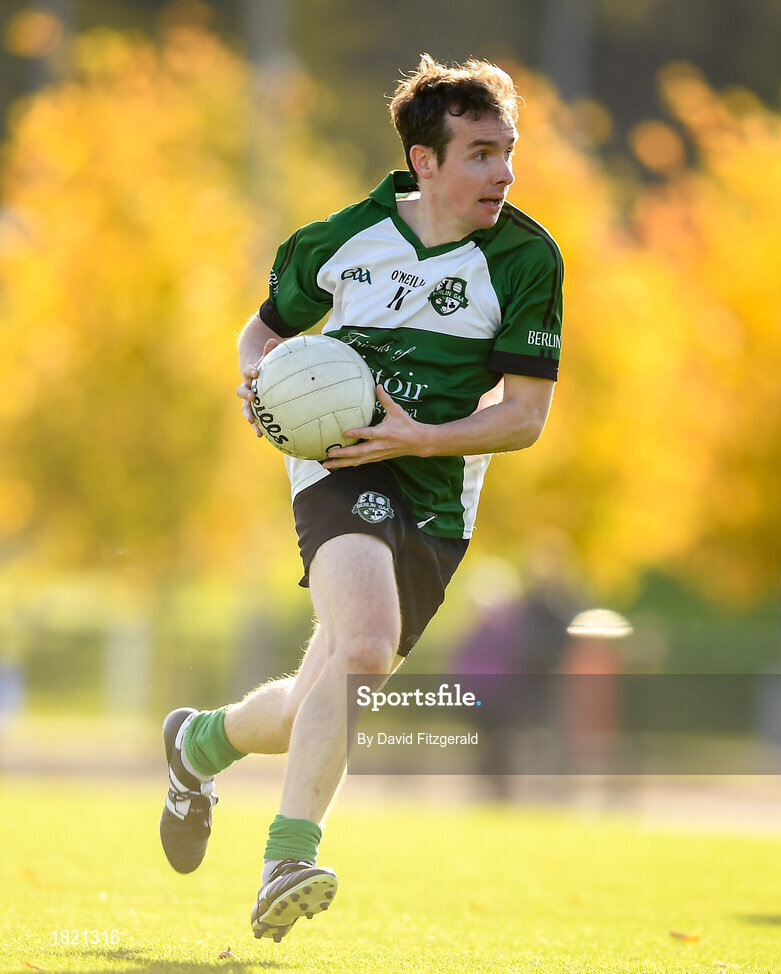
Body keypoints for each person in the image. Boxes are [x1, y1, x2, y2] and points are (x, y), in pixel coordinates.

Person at [158, 53, 563, 943]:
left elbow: (525, 417)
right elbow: (262, 331)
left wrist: (418, 438)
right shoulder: (343, 238)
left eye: (508, 152)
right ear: (426, 160)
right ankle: (287, 860)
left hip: (439, 490)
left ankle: (197, 744)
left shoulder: (526, 259)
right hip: (339, 462)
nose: (503, 172)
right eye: (481, 153)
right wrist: (260, 384)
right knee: (368, 647)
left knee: (313, 705)